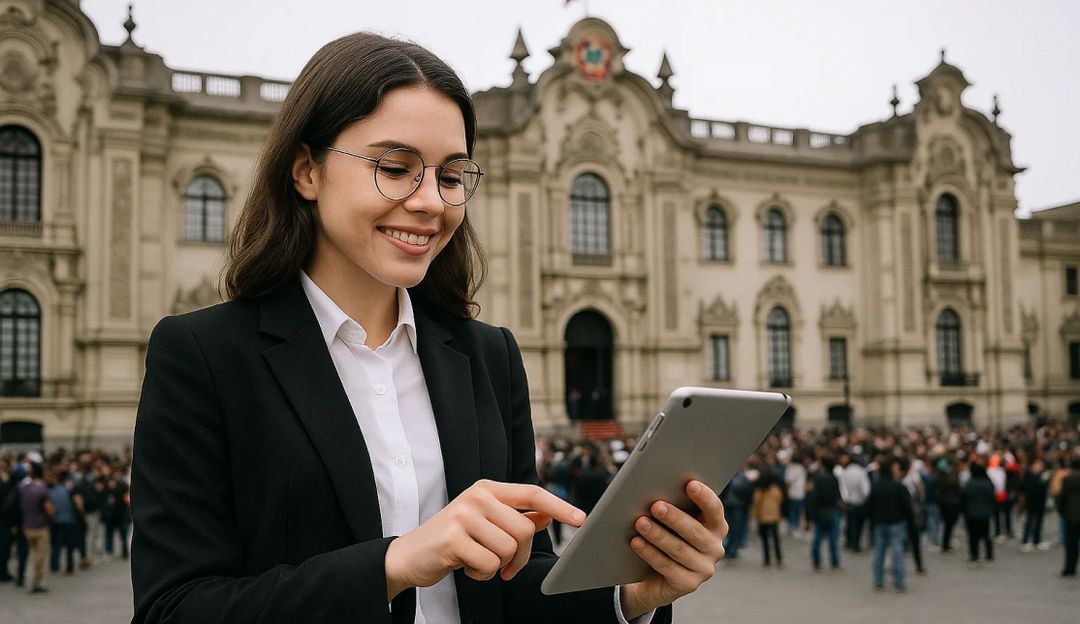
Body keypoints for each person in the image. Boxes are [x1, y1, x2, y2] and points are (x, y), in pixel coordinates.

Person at [130, 32, 727, 624]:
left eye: (451, 176)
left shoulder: (488, 357)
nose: (430, 203)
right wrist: (395, 564)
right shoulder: (203, 357)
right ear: (306, 171)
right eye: (395, 168)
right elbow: (173, 608)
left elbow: (517, 587)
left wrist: (631, 595)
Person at [867, 459, 913, 591]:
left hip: (880, 522)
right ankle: (899, 581)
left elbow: (870, 505)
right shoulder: (899, 487)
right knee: (897, 551)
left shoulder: (875, 486)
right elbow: (907, 507)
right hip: (896, 522)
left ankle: (878, 580)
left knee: (879, 551)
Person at [17, 462, 52, 594]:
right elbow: (48, 508)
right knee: (41, 556)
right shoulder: (42, 489)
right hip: (40, 525)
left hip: (27, 524)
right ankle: (37, 581)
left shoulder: (23, 488)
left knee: (30, 553)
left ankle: (28, 578)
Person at [808, 455, 842, 570]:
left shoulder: (818, 478)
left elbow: (814, 497)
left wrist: (812, 513)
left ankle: (816, 561)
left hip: (820, 511)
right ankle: (834, 562)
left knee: (818, 537)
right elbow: (838, 495)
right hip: (832, 510)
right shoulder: (834, 478)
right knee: (833, 539)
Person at [962, 463, 995, 563]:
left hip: (971, 514)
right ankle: (989, 553)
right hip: (984, 513)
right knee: (986, 535)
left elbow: (964, 498)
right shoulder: (987, 483)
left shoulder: (969, 483)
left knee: (973, 535)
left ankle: (974, 554)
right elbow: (992, 496)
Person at [837, 452, 870, 552]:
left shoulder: (846, 471)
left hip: (848, 501)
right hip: (859, 502)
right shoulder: (861, 472)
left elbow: (842, 487)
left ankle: (849, 542)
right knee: (858, 524)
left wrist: (845, 498)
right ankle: (856, 544)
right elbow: (865, 490)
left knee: (850, 522)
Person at [750, 470, 784, 567]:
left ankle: (767, 559)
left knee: (764, 539)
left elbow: (756, 503)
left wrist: (754, 516)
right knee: (775, 538)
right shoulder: (775, 490)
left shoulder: (759, 491)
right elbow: (780, 500)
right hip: (774, 517)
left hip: (762, 518)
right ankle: (778, 557)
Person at [1017, 458, 1049, 552]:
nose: (1040, 467)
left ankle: (1036, 541)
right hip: (1031, 502)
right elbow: (1026, 489)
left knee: (1039, 522)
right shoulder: (1029, 475)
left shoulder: (1041, 475)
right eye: (1038, 464)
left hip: (1040, 502)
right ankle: (1025, 541)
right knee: (1030, 521)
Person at [937, 459, 963, 553]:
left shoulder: (941, 477)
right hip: (951, 504)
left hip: (947, 503)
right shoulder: (950, 477)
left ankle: (946, 543)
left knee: (948, 525)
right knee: (949, 525)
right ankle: (946, 544)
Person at [1060, 455, 1080, 577]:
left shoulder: (1068, 479)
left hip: (1071, 515)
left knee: (1071, 544)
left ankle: (1069, 568)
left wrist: (1063, 512)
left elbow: (1062, 498)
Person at [783, 453, 807, 537]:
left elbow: (788, 481)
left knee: (792, 511)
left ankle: (791, 527)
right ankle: (795, 527)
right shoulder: (802, 468)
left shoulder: (790, 468)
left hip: (793, 493)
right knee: (797, 511)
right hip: (800, 493)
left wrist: (786, 491)